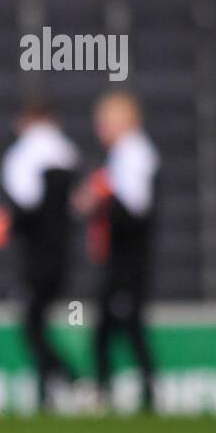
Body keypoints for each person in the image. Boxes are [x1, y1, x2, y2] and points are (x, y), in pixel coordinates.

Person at [75, 90, 160, 412]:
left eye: (105, 122)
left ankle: (112, 391)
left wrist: (102, 197)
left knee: (117, 326)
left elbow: (135, 210)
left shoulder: (133, 152)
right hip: (124, 259)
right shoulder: (125, 154)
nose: (100, 129)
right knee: (120, 326)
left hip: (129, 261)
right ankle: (137, 392)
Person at [0, 99, 80, 409]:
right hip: (61, 255)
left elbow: (28, 208)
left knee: (32, 325)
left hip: (37, 259)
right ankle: (48, 391)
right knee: (38, 324)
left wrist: (9, 224)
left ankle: (67, 380)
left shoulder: (26, 155)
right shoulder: (66, 153)